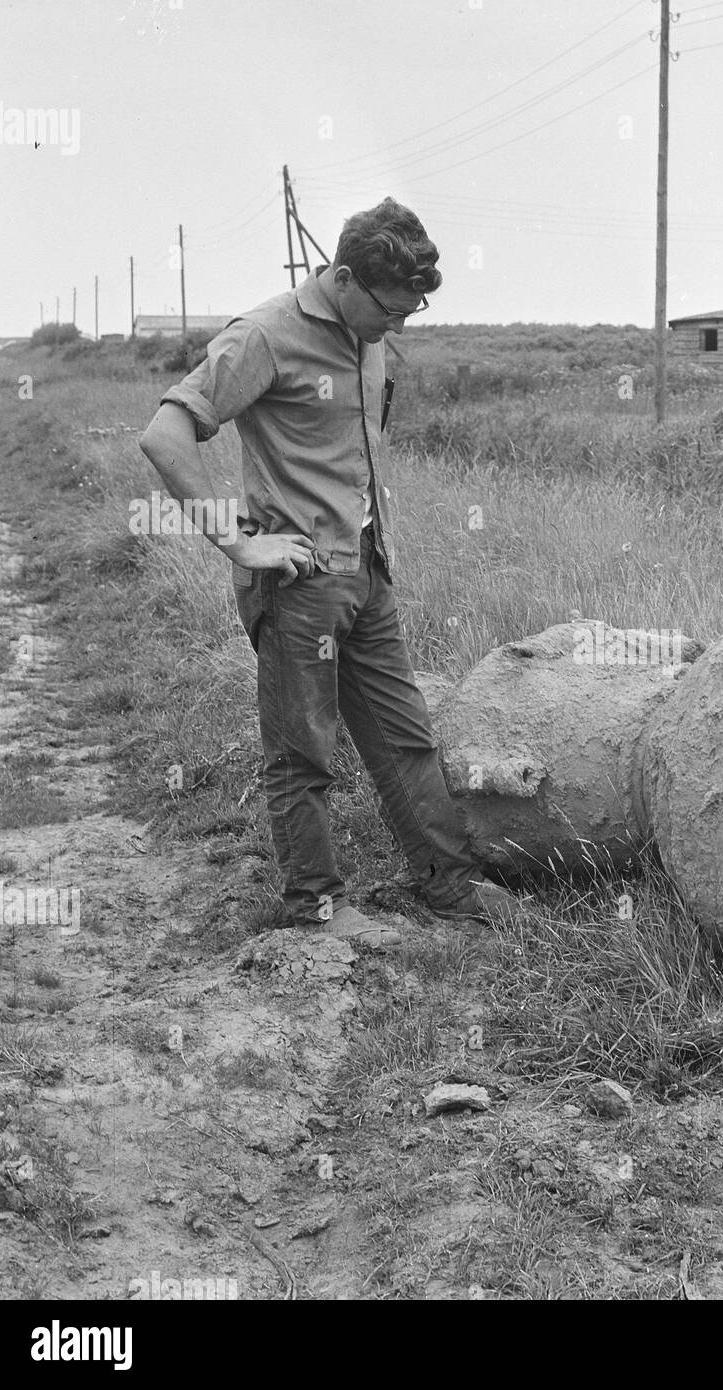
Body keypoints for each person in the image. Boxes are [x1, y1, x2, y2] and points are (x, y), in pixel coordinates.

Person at [138, 197, 522, 949]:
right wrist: (238, 544)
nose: (398, 326)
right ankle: (314, 906)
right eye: (391, 310)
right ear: (343, 279)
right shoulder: (263, 335)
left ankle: (449, 884)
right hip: (299, 583)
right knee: (303, 753)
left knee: (405, 738)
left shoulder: (366, 331)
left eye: (411, 312)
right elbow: (164, 434)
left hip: (367, 570)